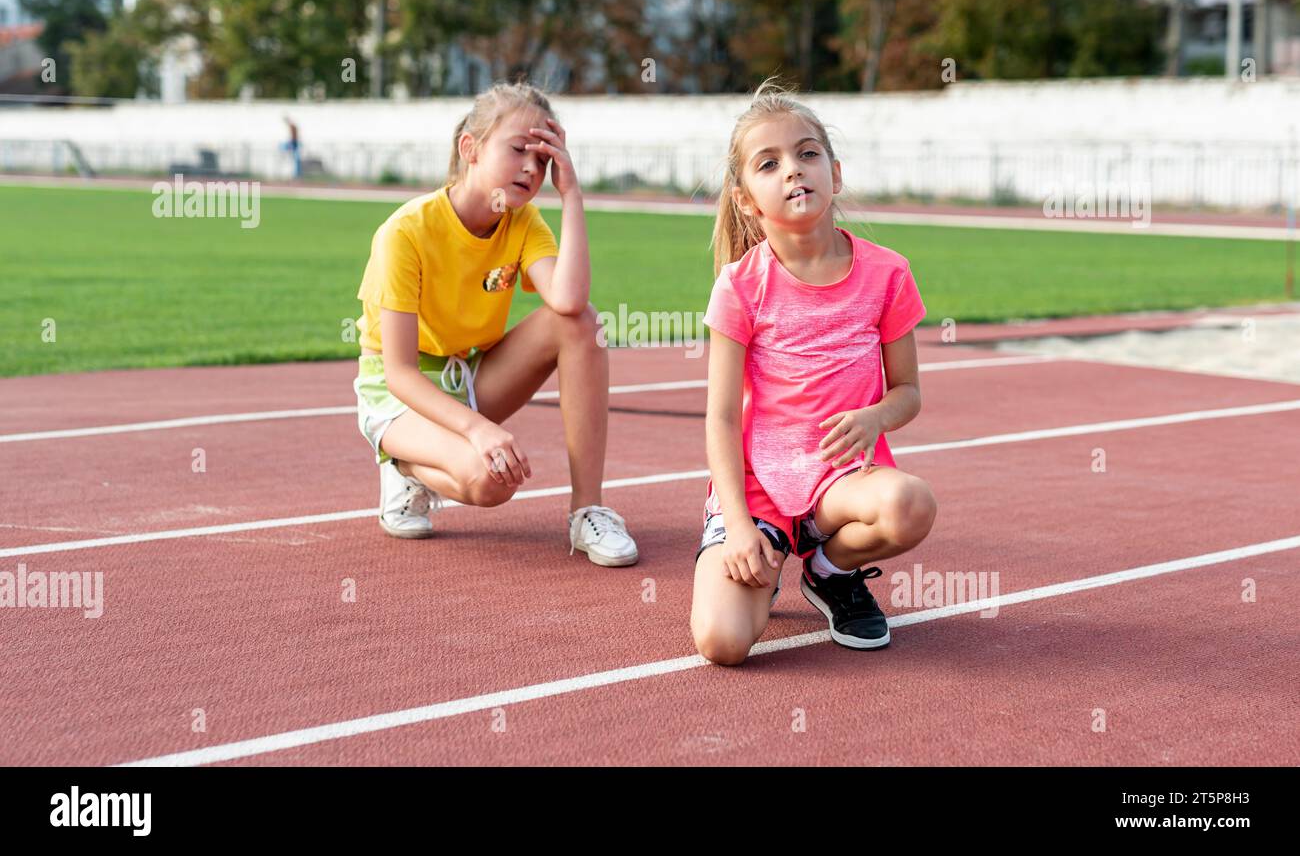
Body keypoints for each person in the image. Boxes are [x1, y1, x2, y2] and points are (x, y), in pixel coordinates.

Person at [690, 80, 938, 663]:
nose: (794, 171)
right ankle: (768, 555)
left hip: (841, 483)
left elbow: (909, 393)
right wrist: (738, 523)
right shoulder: (740, 286)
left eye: (807, 154)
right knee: (723, 642)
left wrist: (876, 415)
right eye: (769, 163)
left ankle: (828, 570)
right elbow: (721, 419)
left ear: (836, 172)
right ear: (748, 199)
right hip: (758, 491)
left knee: (911, 505)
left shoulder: (889, 274)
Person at [351, 81, 638, 566]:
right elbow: (398, 373)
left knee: (581, 323)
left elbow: (569, 300)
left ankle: (588, 509)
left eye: (544, 160)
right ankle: (403, 464)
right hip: (399, 394)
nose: (532, 168)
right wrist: (480, 431)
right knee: (491, 482)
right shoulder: (405, 232)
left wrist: (572, 198)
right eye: (519, 150)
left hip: (469, 376)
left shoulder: (524, 224)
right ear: (472, 148)